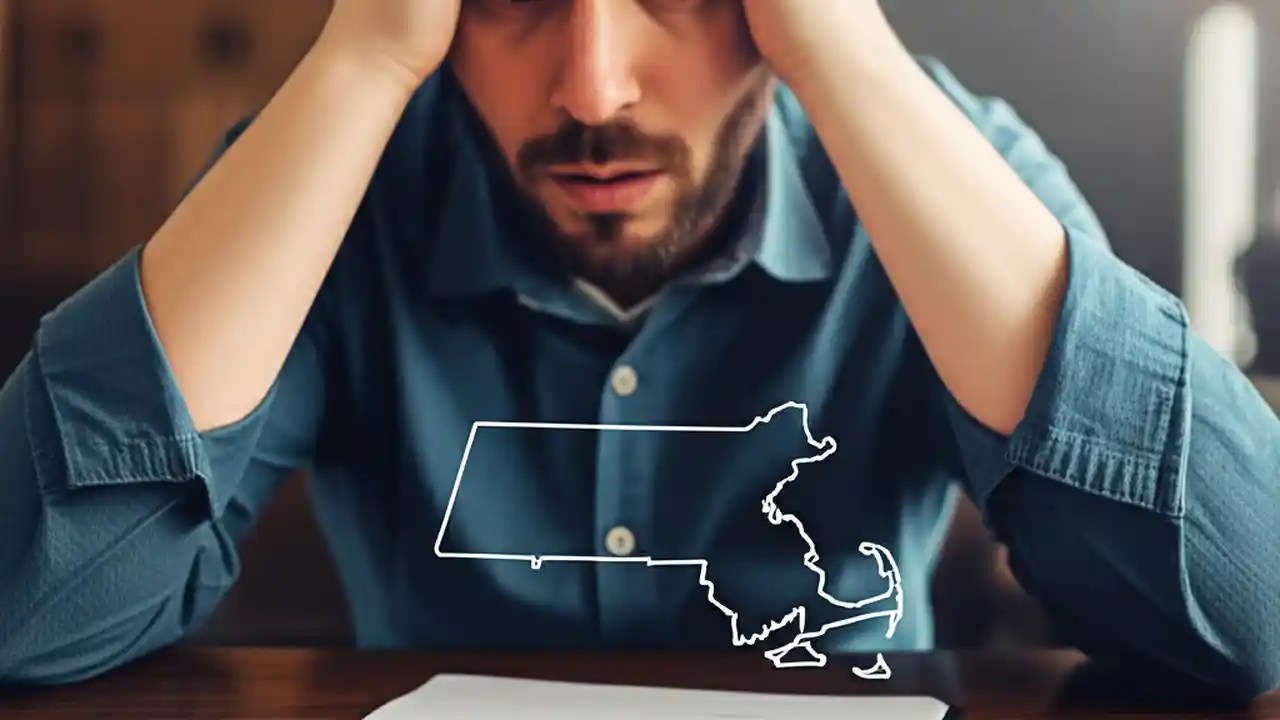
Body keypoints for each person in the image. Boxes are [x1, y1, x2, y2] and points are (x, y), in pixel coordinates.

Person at [0, 0, 1276, 699]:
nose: (592, 87)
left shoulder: (939, 163)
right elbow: (26, 619)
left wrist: (844, 52)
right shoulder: (346, 179)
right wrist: (359, 58)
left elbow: (1253, 620)